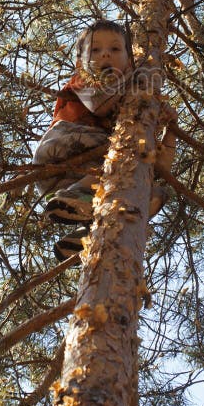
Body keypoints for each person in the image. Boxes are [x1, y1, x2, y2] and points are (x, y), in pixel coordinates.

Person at [33, 19, 176, 261]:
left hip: (79, 177)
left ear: (128, 60)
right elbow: (99, 105)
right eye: (95, 50)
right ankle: (77, 196)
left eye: (115, 49)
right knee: (125, 154)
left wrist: (170, 128)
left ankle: (87, 233)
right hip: (62, 145)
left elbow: (160, 165)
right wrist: (134, 80)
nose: (105, 54)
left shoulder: (130, 115)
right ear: (81, 63)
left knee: (151, 189)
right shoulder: (85, 79)